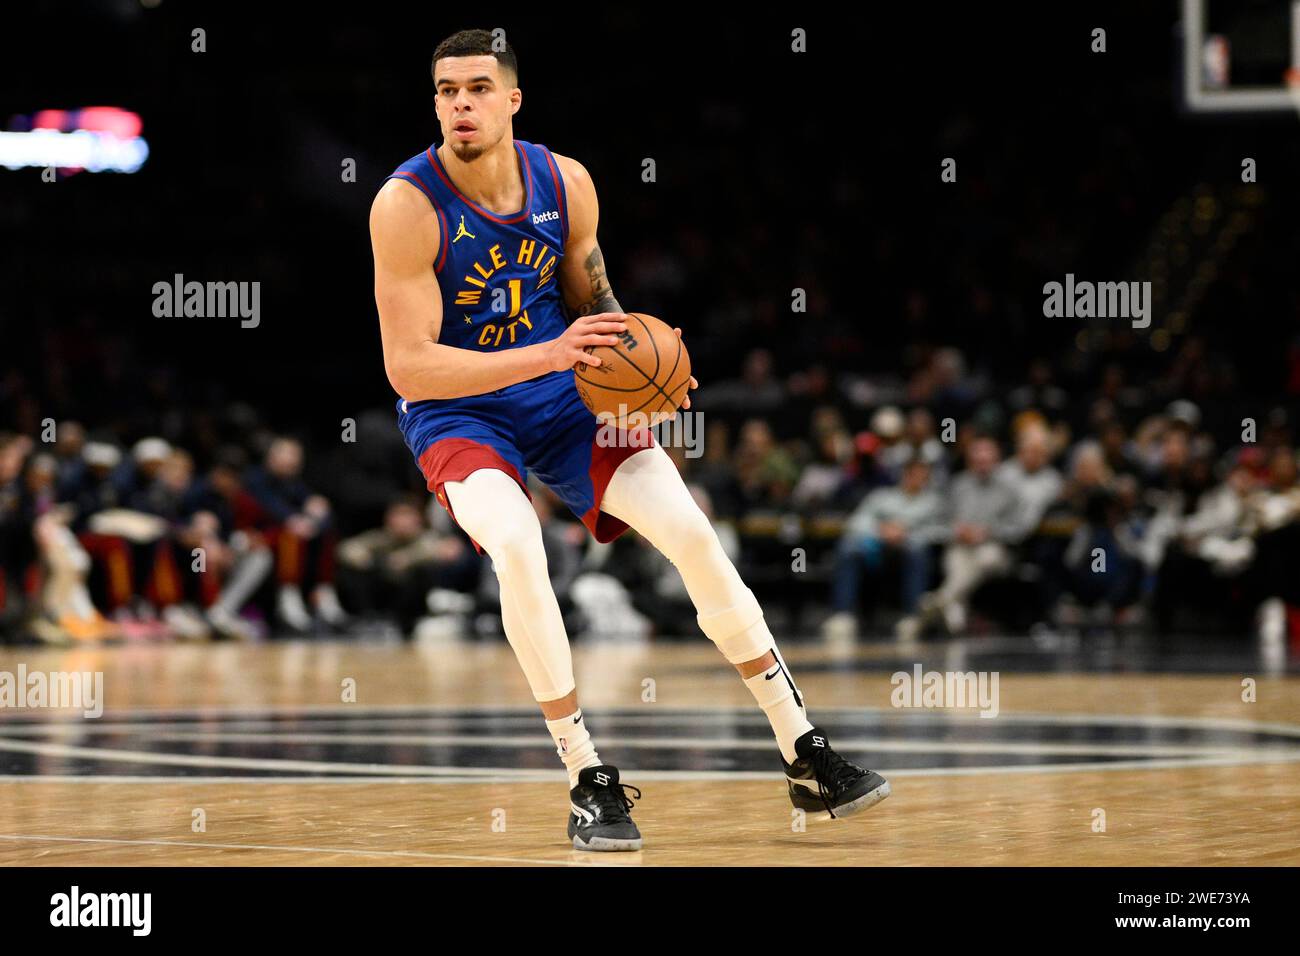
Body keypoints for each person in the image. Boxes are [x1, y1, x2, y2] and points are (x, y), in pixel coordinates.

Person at [369, 30, 889, 851]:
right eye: (445, 91)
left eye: (477, 88)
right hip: (460, 409)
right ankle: (586, 775)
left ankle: (803, 750)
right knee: (517, 542)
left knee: (689, 528)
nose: (460, 104)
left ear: (512, 100)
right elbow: (408, 367)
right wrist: (547, 354)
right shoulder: (406, 205)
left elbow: (597, 304)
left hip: (565, 396)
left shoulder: (565, 182)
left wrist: (642, 372)